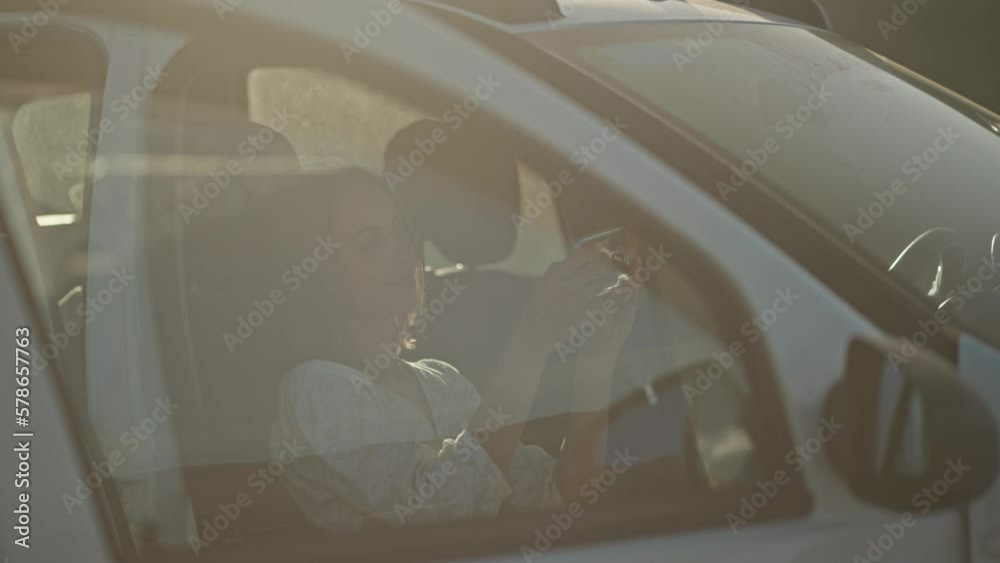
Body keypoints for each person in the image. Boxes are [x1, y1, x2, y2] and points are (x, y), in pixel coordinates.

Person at [269, 167, 637, 532]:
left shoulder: (442, 381)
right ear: (321, 272)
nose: (401, 251)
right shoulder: (313, 390)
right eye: (369, 243)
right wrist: (534, 337)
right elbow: (448, 508)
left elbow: (564, 495)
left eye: (401, 231)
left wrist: (598, 358)